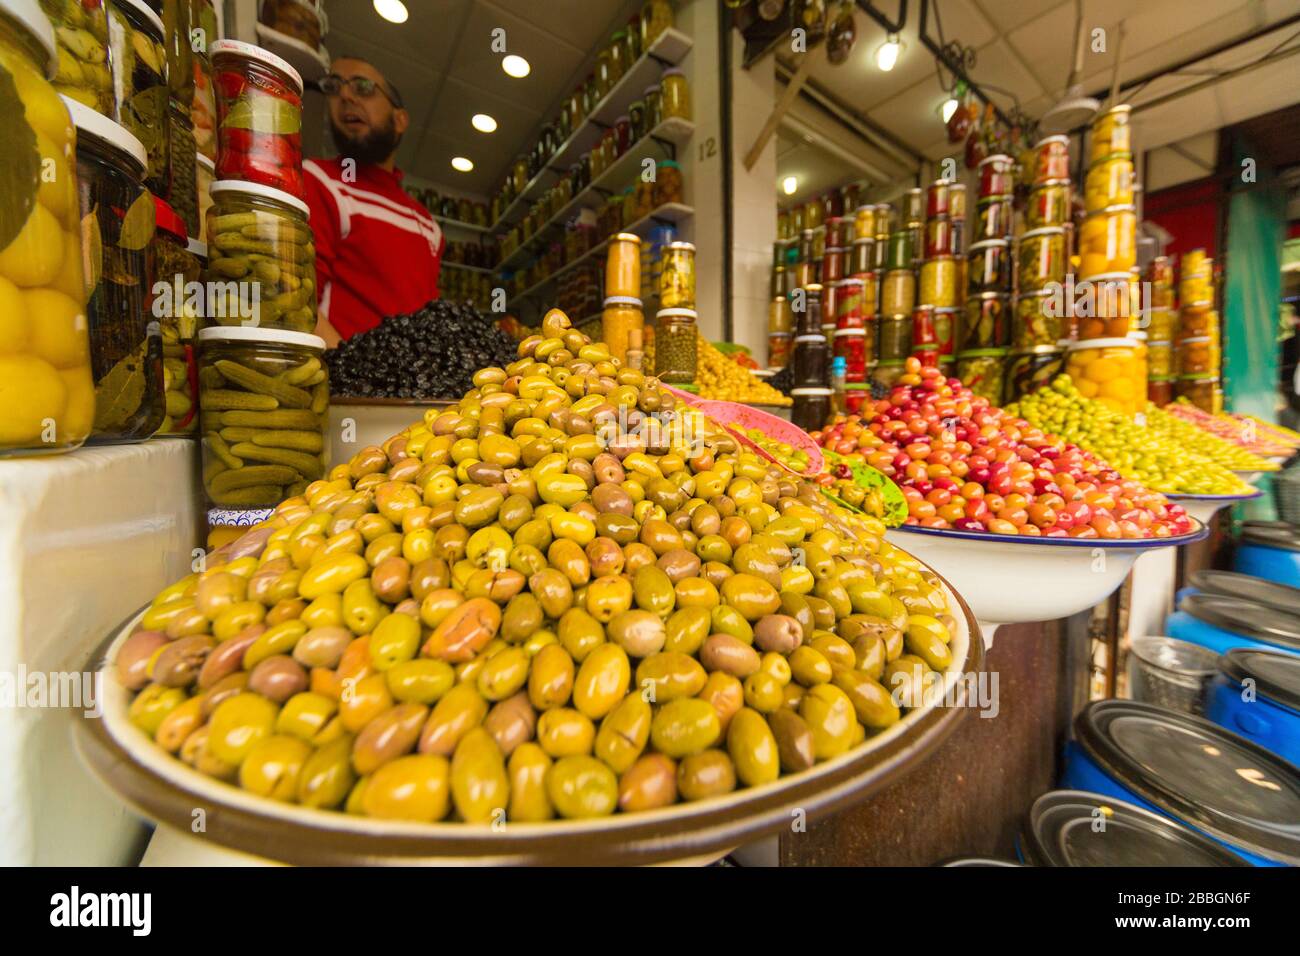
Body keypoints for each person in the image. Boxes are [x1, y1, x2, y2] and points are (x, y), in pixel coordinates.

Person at [304, 57, 444, 345]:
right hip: (347, 386)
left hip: (413, 386)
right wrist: (353, 379)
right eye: (334, 87)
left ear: (400, 119)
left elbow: (432, 321)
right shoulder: (318, 180)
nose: (344, 96)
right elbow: (297, 302)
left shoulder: (429, 226)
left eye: (363, 87)